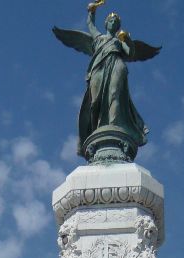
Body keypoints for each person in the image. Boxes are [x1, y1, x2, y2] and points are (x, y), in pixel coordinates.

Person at [53, 5, 160, 157]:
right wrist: (91, 10)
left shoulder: (120, 40)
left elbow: (130, 53)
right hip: (99, 67)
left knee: (114, 94)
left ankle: (114, 125)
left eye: (116, 20)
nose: (113, 22)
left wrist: (127, 39)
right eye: (111, 20)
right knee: (95, 101)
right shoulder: (99, 37)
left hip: (116, 64)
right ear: (106, 23)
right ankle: (96, 128)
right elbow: (90, 25)